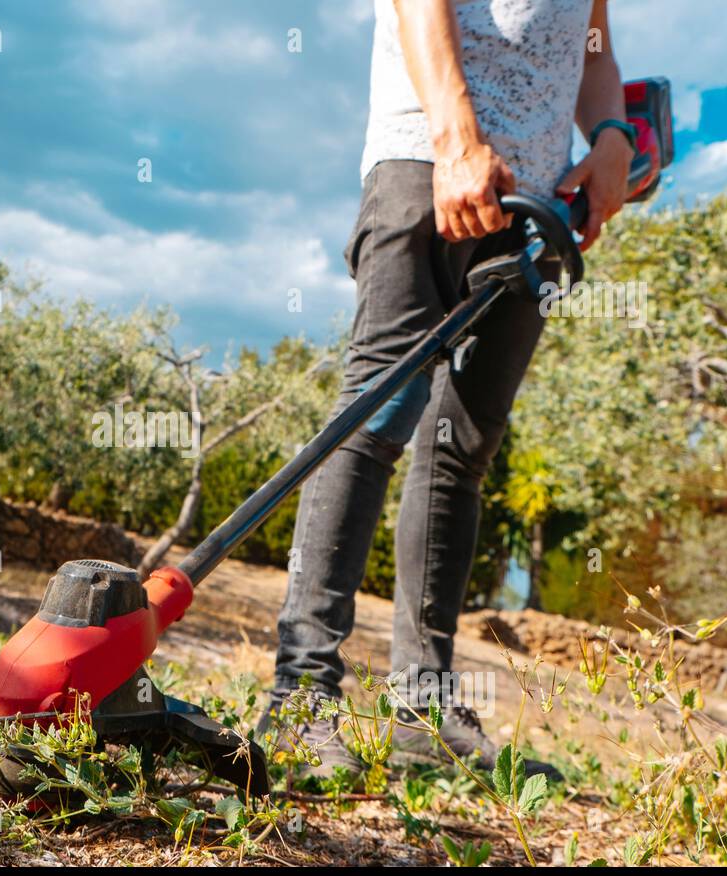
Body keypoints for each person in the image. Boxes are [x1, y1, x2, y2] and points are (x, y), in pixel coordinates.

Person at [262, 0, 635, 779]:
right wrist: (456, 136)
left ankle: (425, 713)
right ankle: (300, 700)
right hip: (427, 163)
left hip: (540, 209)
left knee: (460, 448)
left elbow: (594, 52)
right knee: (371, 419)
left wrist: (611, 137)